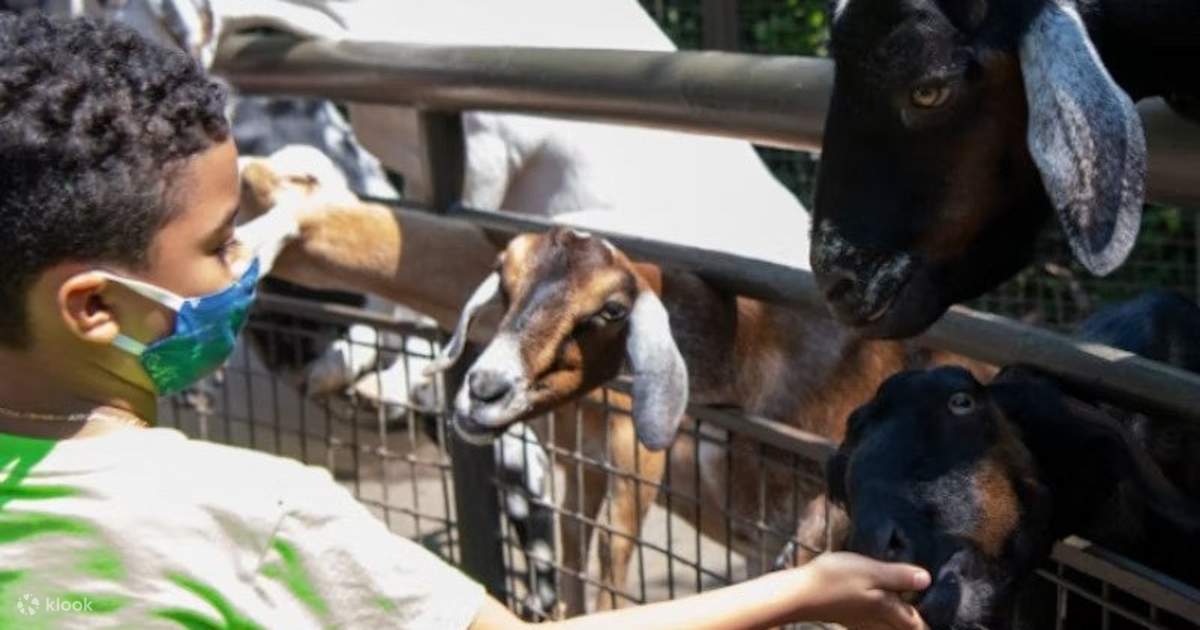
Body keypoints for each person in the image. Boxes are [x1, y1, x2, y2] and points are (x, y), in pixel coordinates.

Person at [0, 13, 930, 630]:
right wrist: (806, 590)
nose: (242, 265)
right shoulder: (265, 517)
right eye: (219, 245)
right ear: (91, 309)